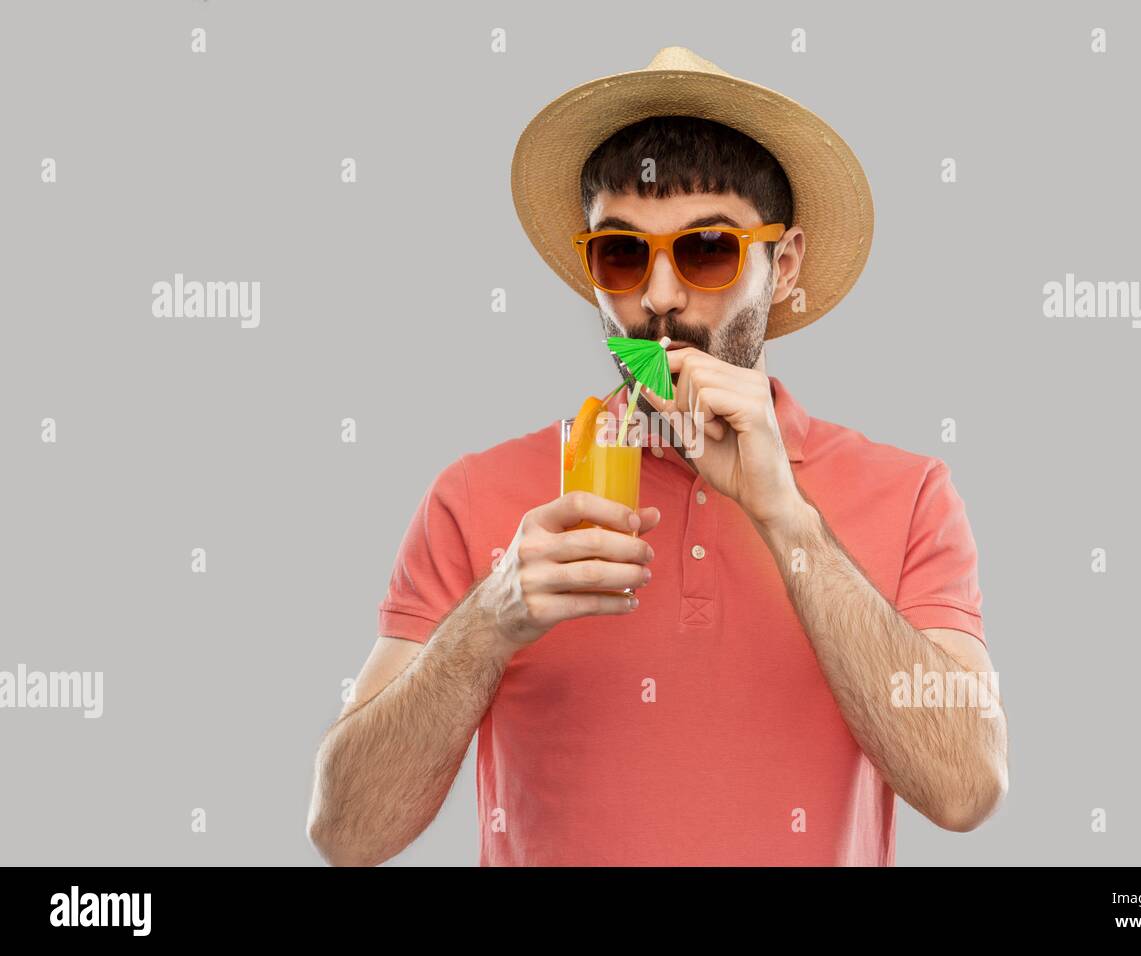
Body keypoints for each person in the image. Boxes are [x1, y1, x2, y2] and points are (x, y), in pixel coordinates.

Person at [307, 46, 1007, 867]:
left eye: (706, 249)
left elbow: (967, 790)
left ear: (783, 268)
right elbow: (345, 833)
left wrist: (789, 521)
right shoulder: (474, 496)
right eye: (623, 254)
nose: (661, 298)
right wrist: (487, 624)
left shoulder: (912, 493)